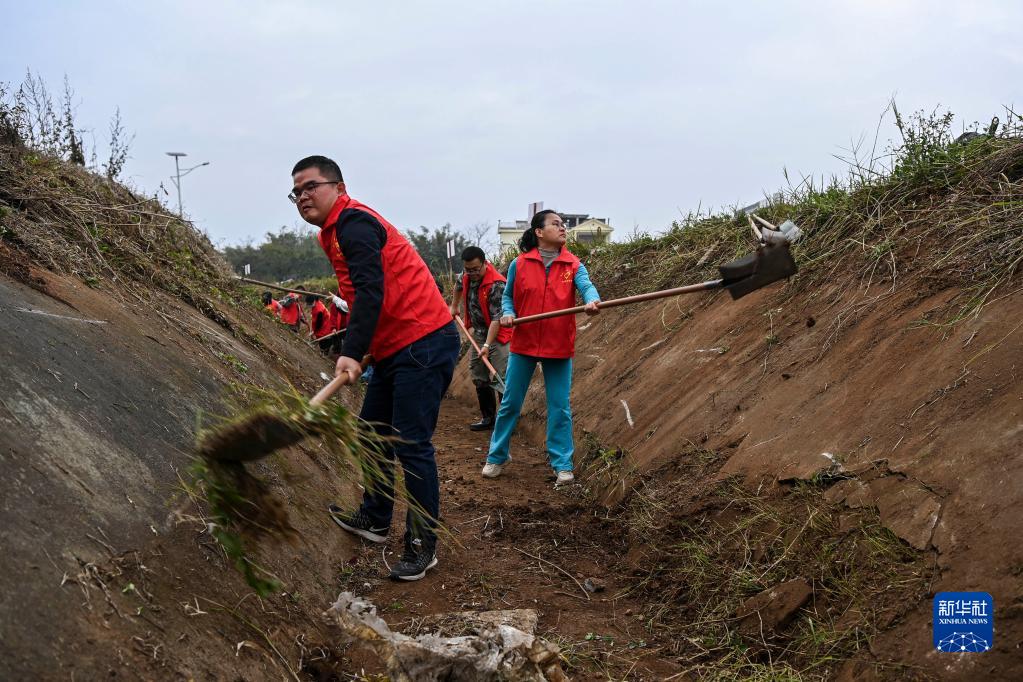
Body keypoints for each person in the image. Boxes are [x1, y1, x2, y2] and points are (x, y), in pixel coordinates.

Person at [290, 155, 459, 581]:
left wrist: (352, 350)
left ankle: (422, 544)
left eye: (310, 187)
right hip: (394, 346)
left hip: (423, 340)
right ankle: (377, 518)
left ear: (339, 187)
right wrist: (368, 348)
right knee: (371, 432)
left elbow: (370, 290)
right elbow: (369, 293)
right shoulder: (332, 233)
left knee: (411, 444)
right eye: (296, 192)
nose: (302, 197)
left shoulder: (355, 224)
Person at [482, 210, 600, 485]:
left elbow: (587, 287)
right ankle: (496, 457)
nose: (563, 228)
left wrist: (592, 300)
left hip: (558, 345)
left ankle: (562, 465)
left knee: (559, 407)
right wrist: (508, 313)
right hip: (524, 343)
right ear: (539, 231)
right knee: (510, 403)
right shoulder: (520, 264)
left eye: (563, 225)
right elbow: (508, 297)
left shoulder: (573, 264)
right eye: (556, 224)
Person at [451, 246, 511, 431]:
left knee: (501, 376)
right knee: (478, 373)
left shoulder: (497, 285)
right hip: (479, 332)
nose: (472, 273)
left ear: (485, 263)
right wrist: (454, 306)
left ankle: (506, 422)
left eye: (476, 269)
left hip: (500, 334)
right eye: (468, 269)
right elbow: (458, 285)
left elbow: (497, 319)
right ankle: (488, 418)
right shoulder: (466, 275)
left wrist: (486, 345)